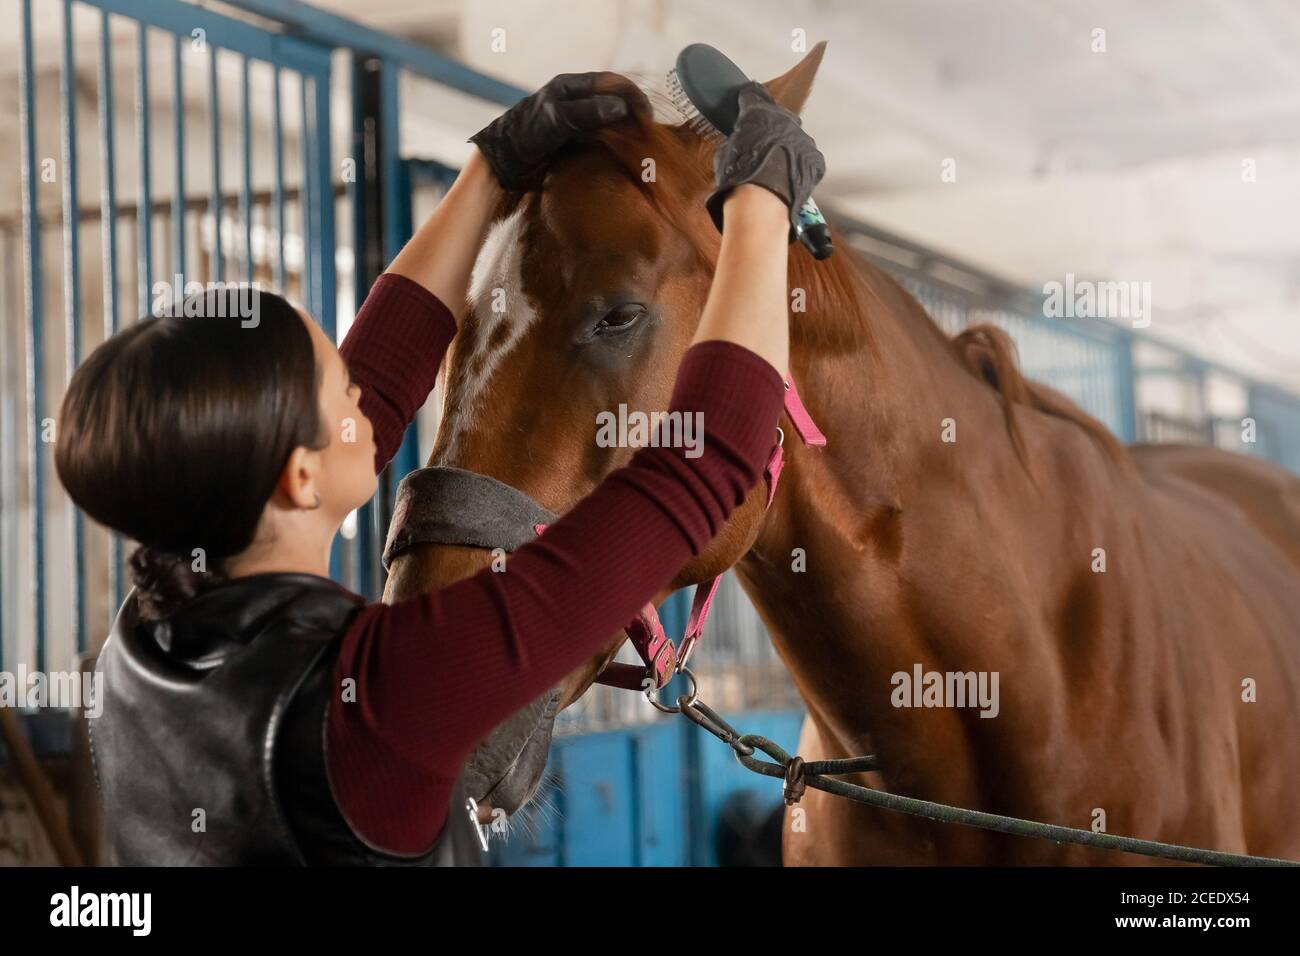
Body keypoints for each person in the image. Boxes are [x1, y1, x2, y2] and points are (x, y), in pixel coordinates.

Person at [54, 74, 825, 865]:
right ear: (299, 479)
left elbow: (385, 367)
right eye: (341, 390)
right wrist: (761, 207)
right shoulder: (396, 695)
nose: (369, 390)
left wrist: (492, 169)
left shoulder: (141, 645)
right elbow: (702, 466)